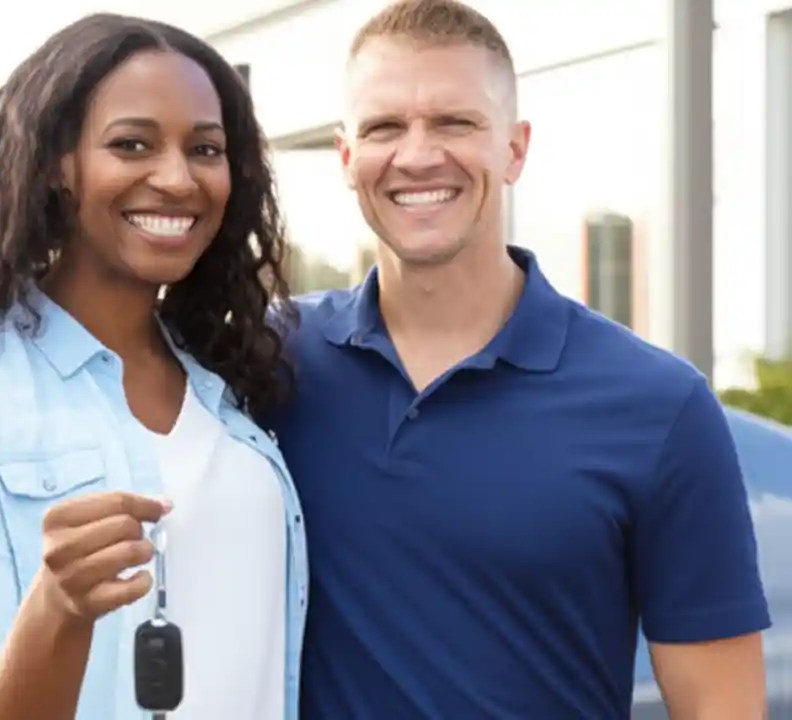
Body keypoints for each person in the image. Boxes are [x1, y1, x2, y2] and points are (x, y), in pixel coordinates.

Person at [264, 0, 771, 717]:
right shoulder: (271, 361)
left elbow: (722, 709)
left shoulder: (659, 406)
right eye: (385, 127)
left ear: (515, 148)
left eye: (455, 122)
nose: (416, 155)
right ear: (347, 158)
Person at [0, 12, 308, 720]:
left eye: (205, 148)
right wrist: (58, 611)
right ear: (56, 164)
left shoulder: (236, 382)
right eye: (131, 144)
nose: (176, 177)